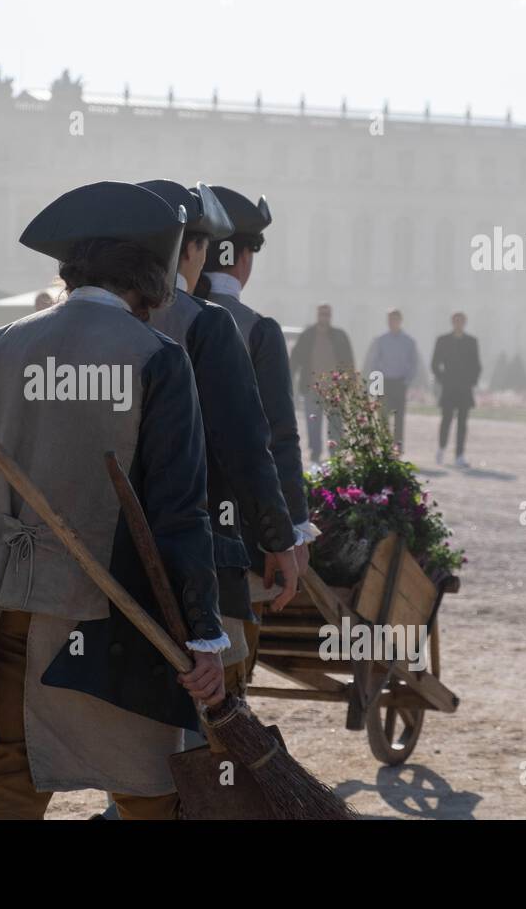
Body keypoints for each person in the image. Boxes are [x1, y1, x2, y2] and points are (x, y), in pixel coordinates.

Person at [0, 180, 223, 820]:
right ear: (151, 271)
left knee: (15, 775)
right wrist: (204, 634)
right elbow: (178, 512)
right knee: (148, 787)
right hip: (117, 617)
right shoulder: (158, 357)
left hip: (9, 602)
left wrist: (27, 500)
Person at [140, 180, 301, 700]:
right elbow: (270, 442)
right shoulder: (245, 327)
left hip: (126, 548)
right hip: (220, 550)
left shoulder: (129, 315)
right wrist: (288, 534)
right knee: (222, 704)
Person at [198, 184, 317, 685]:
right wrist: (291, 530)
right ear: (243, 259)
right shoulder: (255, 329)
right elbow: (277, 439)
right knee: (228, 675)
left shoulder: (151, 317)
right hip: (234, 535)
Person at [288, 303, 355, 463]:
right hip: (312, 387)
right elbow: (295, 358)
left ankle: (335, 453)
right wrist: (289, 376)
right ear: (317, 315)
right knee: (313, 424)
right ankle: (315, 452)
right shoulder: (307, 335)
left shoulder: (339, 336)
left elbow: (348, 360)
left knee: (335, 423)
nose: (324, 317)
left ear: (330, 316)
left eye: (326, 314)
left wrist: (349, 381)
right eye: (321, 314)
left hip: (334, 389)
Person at [364, 308, 419, 451]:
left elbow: (414, 363)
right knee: (382, 417)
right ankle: (384, 445)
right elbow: (374, 362)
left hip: (400, 383)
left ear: (400, 321)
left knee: (399, 417)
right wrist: (375, 385)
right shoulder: (380, 340)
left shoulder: (409, 341)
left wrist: (407, 380)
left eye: (394, 319)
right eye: (389, 319)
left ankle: (397, 447)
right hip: (384, 382)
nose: (392, 322)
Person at [431, 312, 482, 467]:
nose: (458, 323)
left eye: (461, 321)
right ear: (452, 322)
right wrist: (442, 379)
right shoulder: (443, 340)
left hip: (465, 387)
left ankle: (459, 455)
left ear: (464, 323)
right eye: (456, 320)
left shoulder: (471, 341)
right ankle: (441, 449)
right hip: (449, 386)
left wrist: (472, 381)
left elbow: (477, 365)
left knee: (462, 423)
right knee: (446, 420)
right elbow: (434, 363)